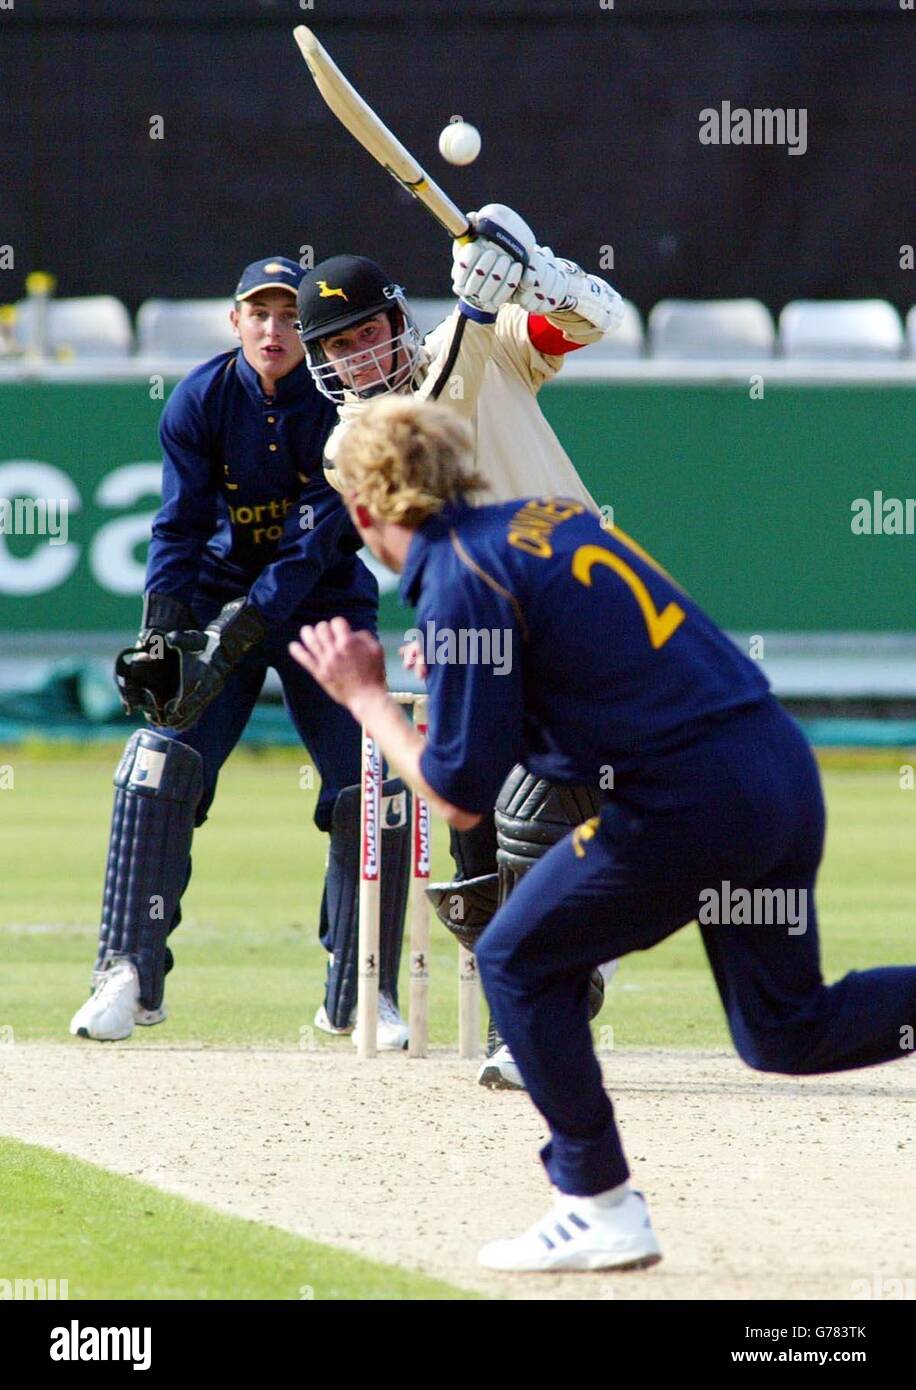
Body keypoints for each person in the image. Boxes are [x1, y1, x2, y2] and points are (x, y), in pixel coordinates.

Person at [289, 394, 916, 1272]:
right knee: (786, 1032)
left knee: (514, 958)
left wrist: (364, 698)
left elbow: (462, 796)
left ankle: (597, 1203)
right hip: (772, 768)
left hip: (689, 801)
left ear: (362, 511)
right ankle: (598, 1205)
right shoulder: (539, 521)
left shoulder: (462, 576)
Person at [295, 205, 624, 1087]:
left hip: (580, 602)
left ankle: (553, 1003)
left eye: (367, 333)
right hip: (479, 628)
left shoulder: (485, 341)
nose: (359, 357)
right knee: (474, 827)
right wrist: (475, 314)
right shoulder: (345, 443)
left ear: (398, 319)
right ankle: (543, 1004)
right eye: (338, 350)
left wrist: (532, 265)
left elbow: (599, 317)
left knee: (542, 819)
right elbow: (424, 443)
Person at [69, 257, 410, 1050]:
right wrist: (161, 628)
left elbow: (317, 542)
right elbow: (179, 525)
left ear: (311, 333)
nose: (273, 330)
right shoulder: (199, 398)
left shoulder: (346, 411)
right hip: (221, 594)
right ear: (236, 322)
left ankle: (362, 994)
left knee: (371, 781)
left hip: (321, 601)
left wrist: (238, 632)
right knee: (157, 763)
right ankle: (127, 974)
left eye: (290, 317)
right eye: (258, 314)